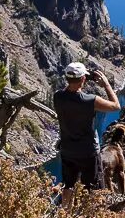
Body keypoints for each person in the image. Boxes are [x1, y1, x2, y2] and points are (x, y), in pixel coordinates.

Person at [52, 62, 121, 209]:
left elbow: (68, 91)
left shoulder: (58, 97)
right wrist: (106, 85)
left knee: (68, 185)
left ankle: (64, 215)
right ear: (83, 79)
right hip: (88, 152)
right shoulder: (90, 100)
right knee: (93, 188)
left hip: (67, 150)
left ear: (66, 78)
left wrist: (76, 81)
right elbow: (116, 106)